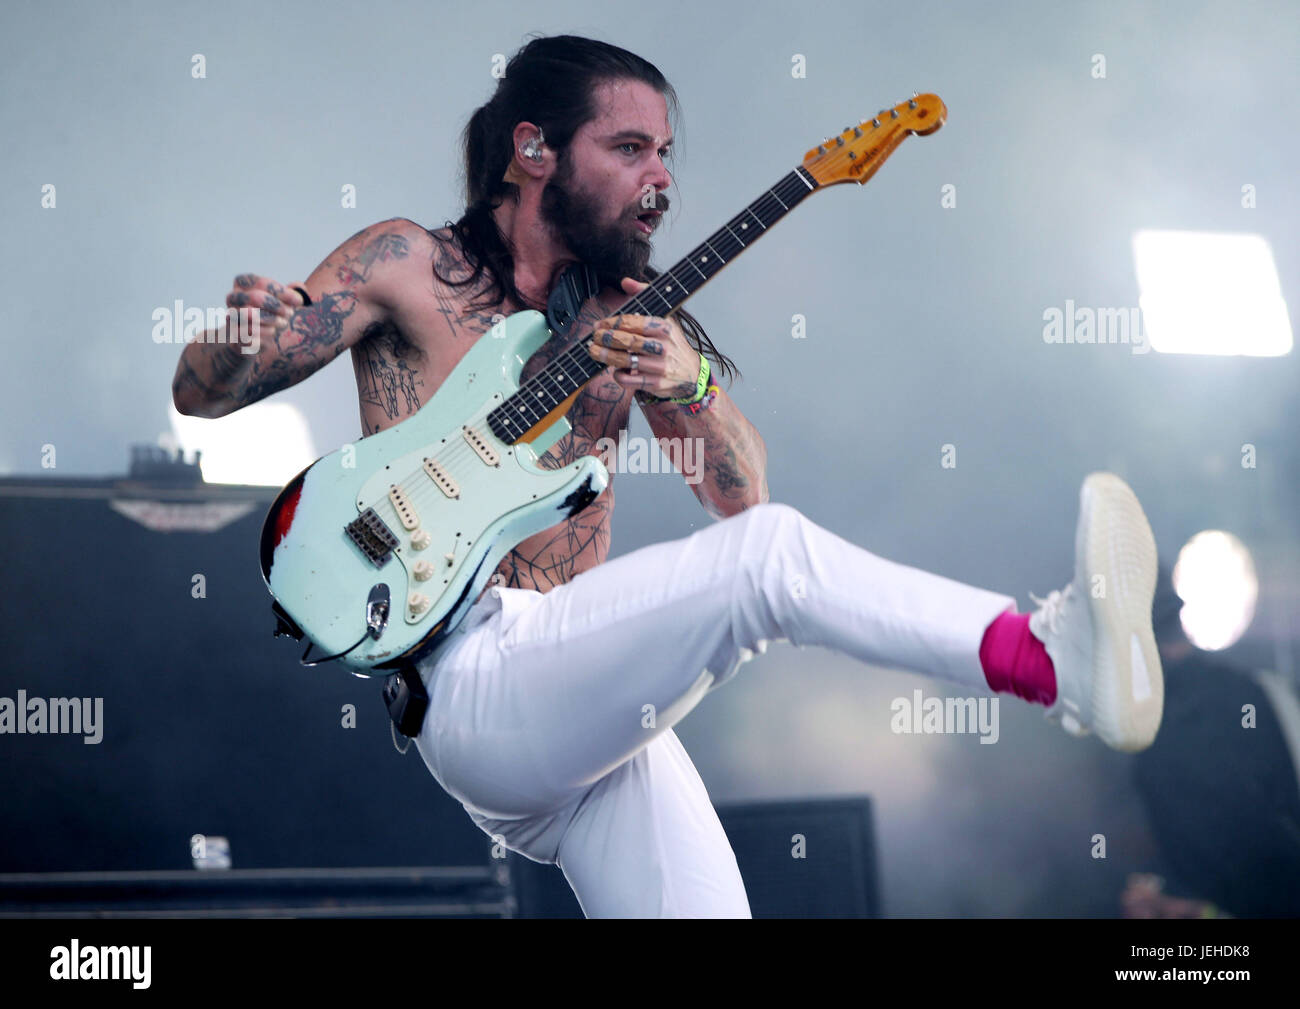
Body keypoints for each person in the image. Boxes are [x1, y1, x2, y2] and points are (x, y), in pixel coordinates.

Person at [171, 34, 1165, 918]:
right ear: (534, 151)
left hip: (587, 700)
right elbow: (204, 392)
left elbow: (739, 502)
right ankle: (1047, 658)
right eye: (630, 148)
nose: (661, 179)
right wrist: (238, 334)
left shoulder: (635, 313)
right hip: (468, 674)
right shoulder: (406, 263)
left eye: (667, 155)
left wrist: (687, 380)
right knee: (767, 563)